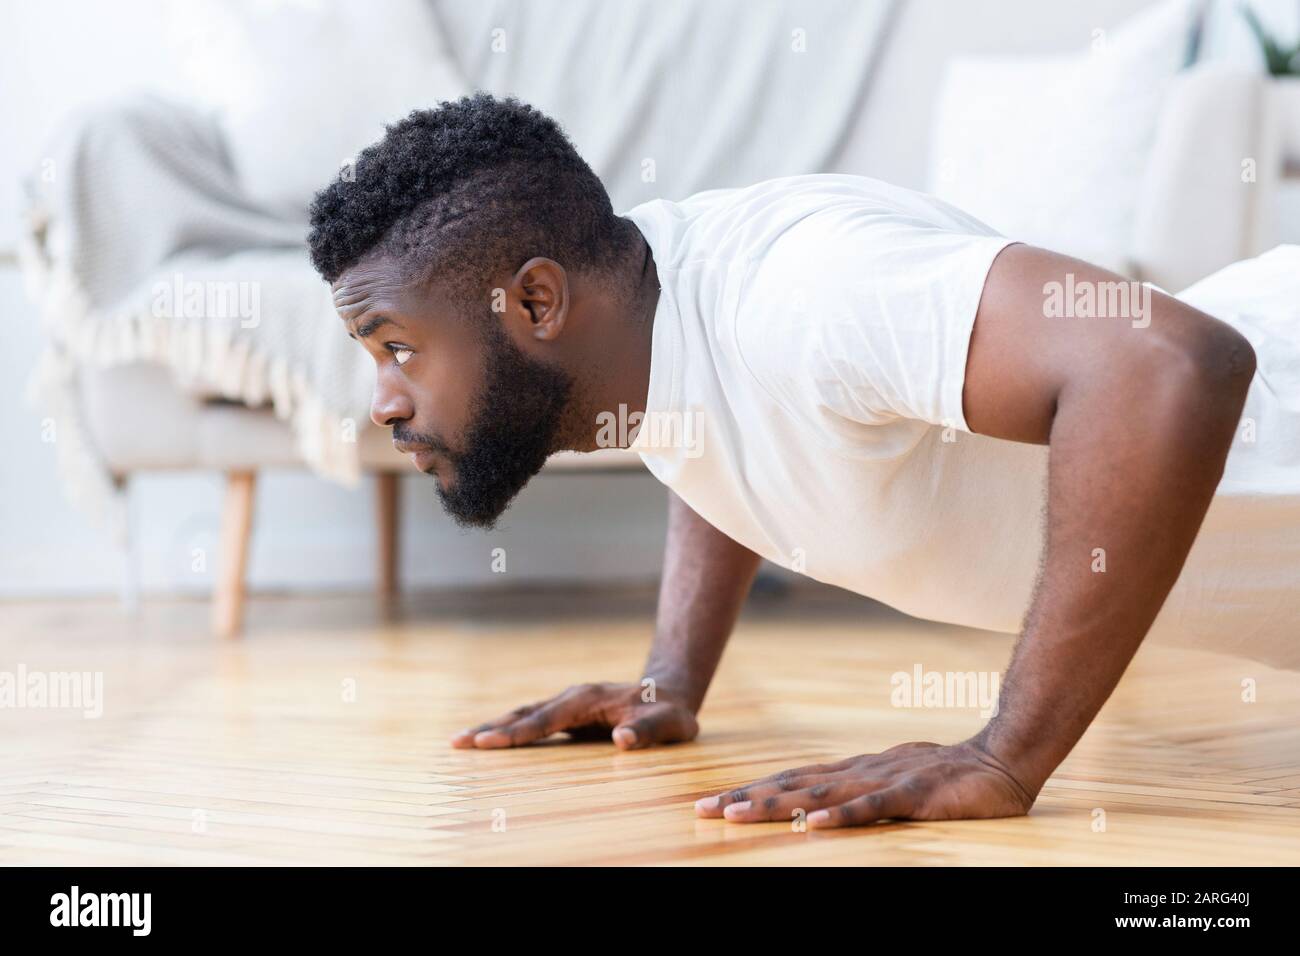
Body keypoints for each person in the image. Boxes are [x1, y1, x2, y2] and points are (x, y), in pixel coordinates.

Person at [308, 93, 1298, 829]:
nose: (383, 399)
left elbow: (1170, 365)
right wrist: (670, 676)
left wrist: (1006, 752)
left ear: (534, 304)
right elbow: (714, 421)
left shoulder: (805, 291)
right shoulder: (646, 315)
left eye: (396, 345)